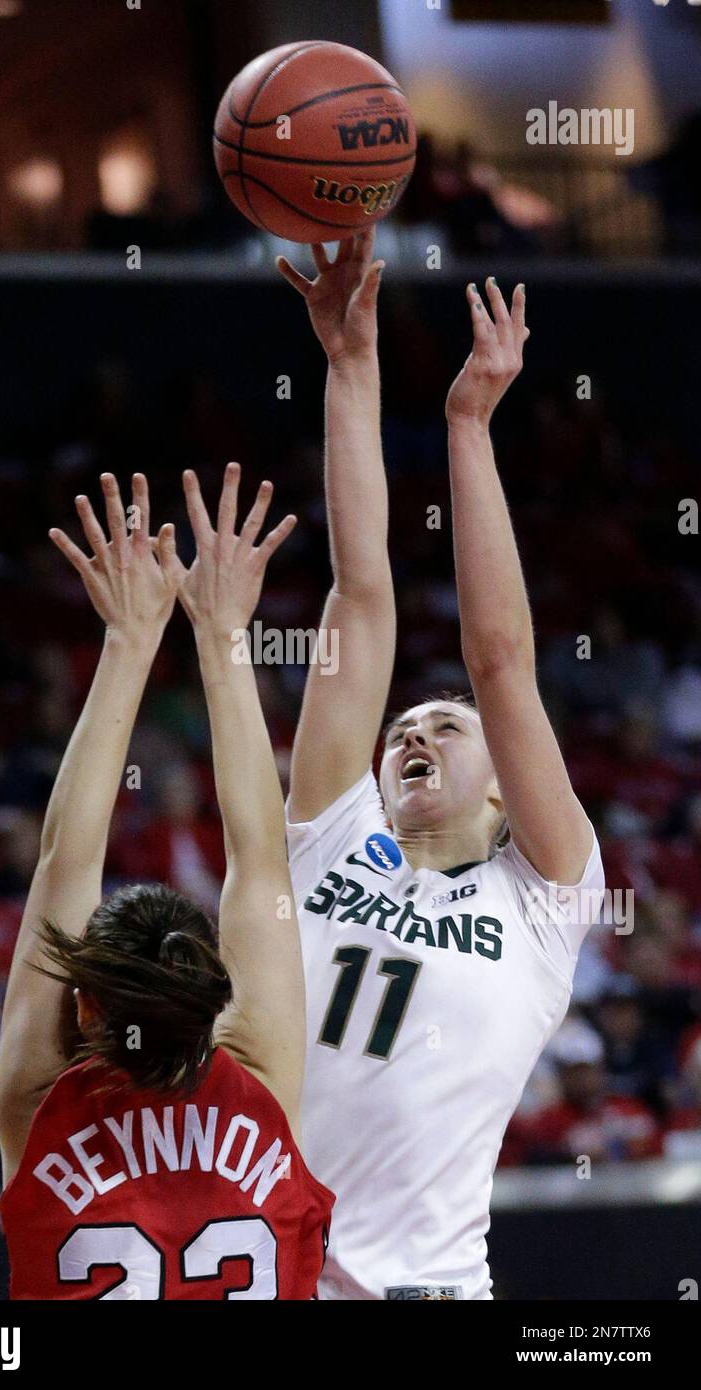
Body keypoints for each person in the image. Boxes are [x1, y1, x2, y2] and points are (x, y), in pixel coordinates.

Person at [276, 234, 605, 1301]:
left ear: (508, 786)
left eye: (444, 730)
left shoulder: (544, 899)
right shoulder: (330, 834)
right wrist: (350, 364)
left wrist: (468, 424)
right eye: (401, 727)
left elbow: (501, 661)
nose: (411, 733)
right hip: (267, 1277)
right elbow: (360, 590)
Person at [0, 470, 333, 1300]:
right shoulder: (259, 1080)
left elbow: (63, 864)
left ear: (82, 1006)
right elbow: (260, 862)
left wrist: (126, 642)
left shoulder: (39, 1106)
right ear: (216, 999)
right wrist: (222, 637)